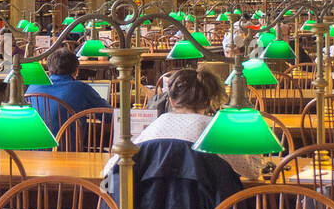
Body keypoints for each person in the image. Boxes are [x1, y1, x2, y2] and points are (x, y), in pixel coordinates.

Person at [109, 69, 262, 180]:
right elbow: (253, 172)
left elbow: (110, 169)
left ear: (171, 100)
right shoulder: (215, 130)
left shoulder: (154, 127)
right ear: (210, 101)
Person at [25, 48, 111, 137]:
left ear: (49, 69)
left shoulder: (33, 87)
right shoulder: (81, 88)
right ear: (76, 71)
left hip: (32, 146)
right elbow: (108, 116)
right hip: (66, 149)